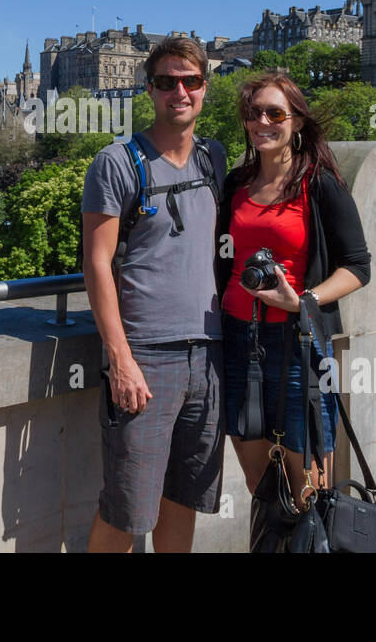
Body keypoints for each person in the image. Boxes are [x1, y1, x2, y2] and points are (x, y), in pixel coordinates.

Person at [81, 37, 227, 552]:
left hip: (209, 356)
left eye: (190, 81)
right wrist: (120, 359)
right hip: (145, 356)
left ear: (205, 88)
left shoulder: (215, 159)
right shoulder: (118, 162)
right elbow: (96, 264)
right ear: (149, 90)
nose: (179, 91)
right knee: (127, 510)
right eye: (167, 82)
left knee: (183, 500)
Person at [214, 71, 371, 508]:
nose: (263, 120)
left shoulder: (319, 182)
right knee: (262, 487)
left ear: (296, 121)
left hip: (298, 342)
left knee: (308, 489)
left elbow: (358, 266)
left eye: (275, 112)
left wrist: (303, 300)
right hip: (238, 340)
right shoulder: (236, 184)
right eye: (253, 112)